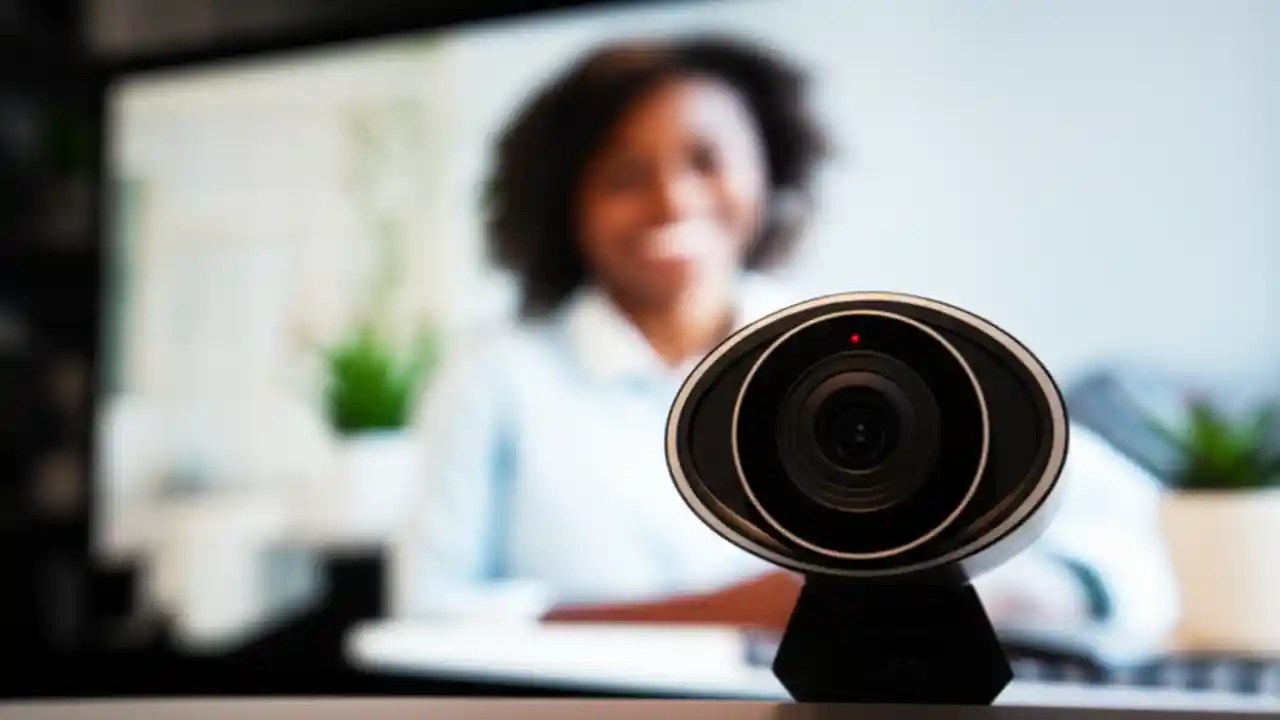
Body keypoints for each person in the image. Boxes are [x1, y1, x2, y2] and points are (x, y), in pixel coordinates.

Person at [394, 37, 1179, 638]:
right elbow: (427, 612)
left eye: (707, 160)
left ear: (768, 173)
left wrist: (1016, 591)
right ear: (564, 204)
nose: (672, 200)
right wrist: (737, 610)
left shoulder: (872, 348)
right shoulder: (496, 375)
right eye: (624, 176)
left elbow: (1137, 547)